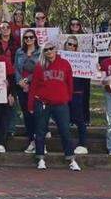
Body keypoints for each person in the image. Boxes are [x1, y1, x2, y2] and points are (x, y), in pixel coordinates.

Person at [22, 43, 80, 171]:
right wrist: (31, 104)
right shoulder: (40, 66)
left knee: (65, 130)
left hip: (60, 103)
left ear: (55, 49)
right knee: (40, 131)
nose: (49, 51)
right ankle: (41, 158)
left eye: (51, 49)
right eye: (46, 50)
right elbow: (34, 87)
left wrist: (66, 98)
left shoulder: (65, 64)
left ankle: (71, 158)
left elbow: (69, 83)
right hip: (42, 103)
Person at [61, 35, 91, 155]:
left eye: (74, 45)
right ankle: (67, 145)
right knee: (63, 119)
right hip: (62, 94)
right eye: (69, 44)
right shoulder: (59, 59)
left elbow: (86, 79)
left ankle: (83, 144)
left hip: (76, 93)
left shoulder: (81, 60)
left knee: (79, 119)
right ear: (65, 45)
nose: (72, 47)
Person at [15, 29, 41, 153]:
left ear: (35, 38)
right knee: (26, 114)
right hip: (22, 86)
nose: (29, 40)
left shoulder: (40, 52)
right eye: (26, 38)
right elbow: (16, 68)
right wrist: (21, 82)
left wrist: (28, 80)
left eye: (31, 37)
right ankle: (31, 140)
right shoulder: (19, 52)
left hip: (35, 85)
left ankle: (39, 141)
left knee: (36, 113)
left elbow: (41, 69)